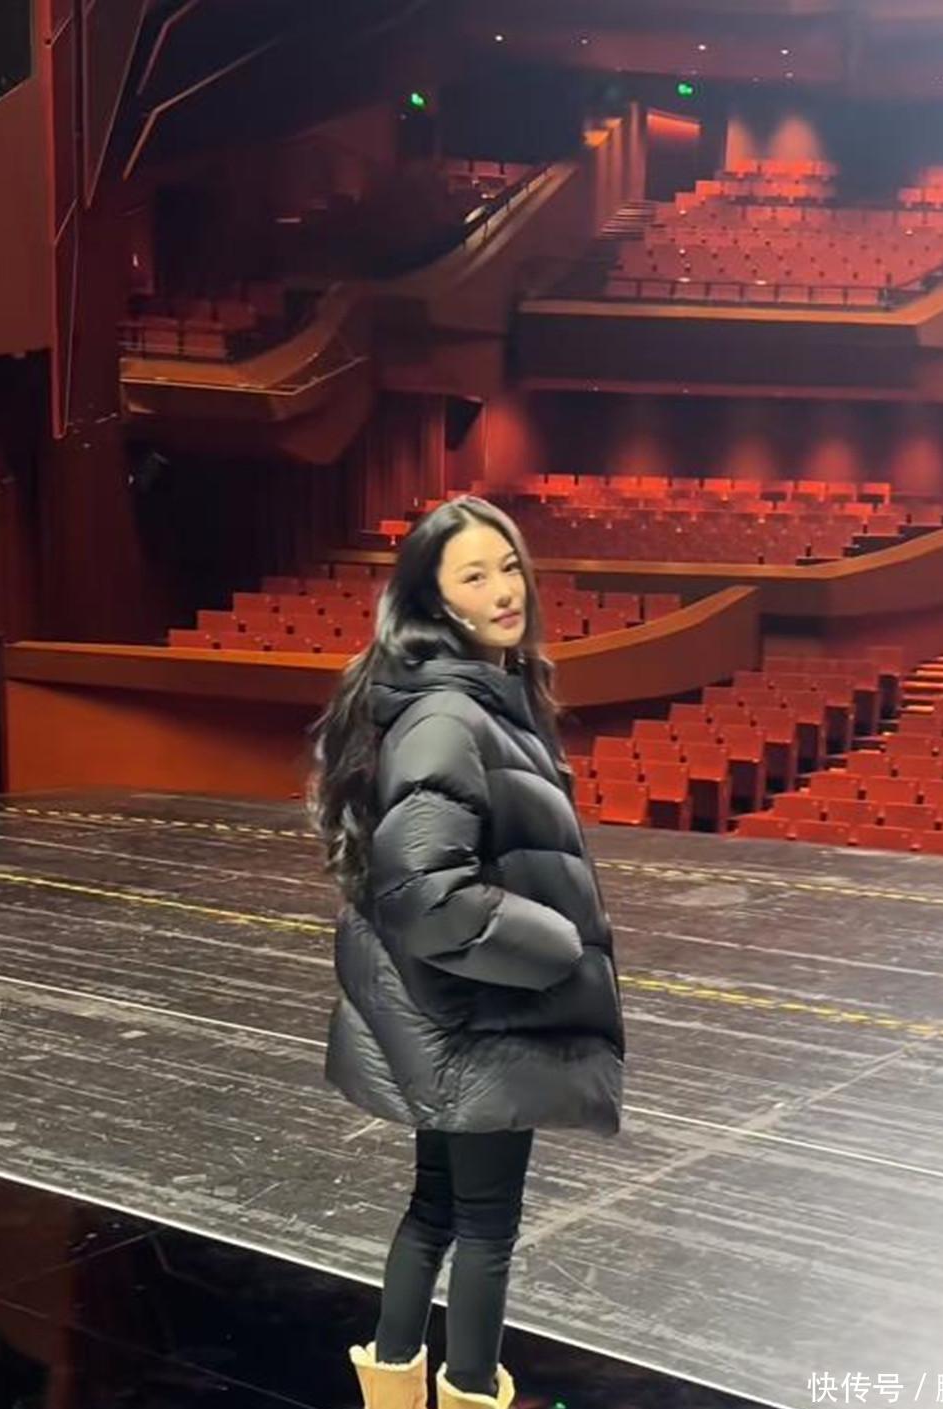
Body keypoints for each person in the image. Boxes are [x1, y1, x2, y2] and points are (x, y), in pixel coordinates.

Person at [310, 495, 625, 1409]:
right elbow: (429, 893)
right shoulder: (451, 715)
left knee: (437, 1207)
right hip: (484, 1014)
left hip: (454, 1011)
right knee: (486, 1225)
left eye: (509, 567)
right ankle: (470, 1393)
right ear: (435, 600)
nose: (503, 590)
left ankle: (393, 1392)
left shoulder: (469, 698)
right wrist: (553, 945)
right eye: (474, 575)